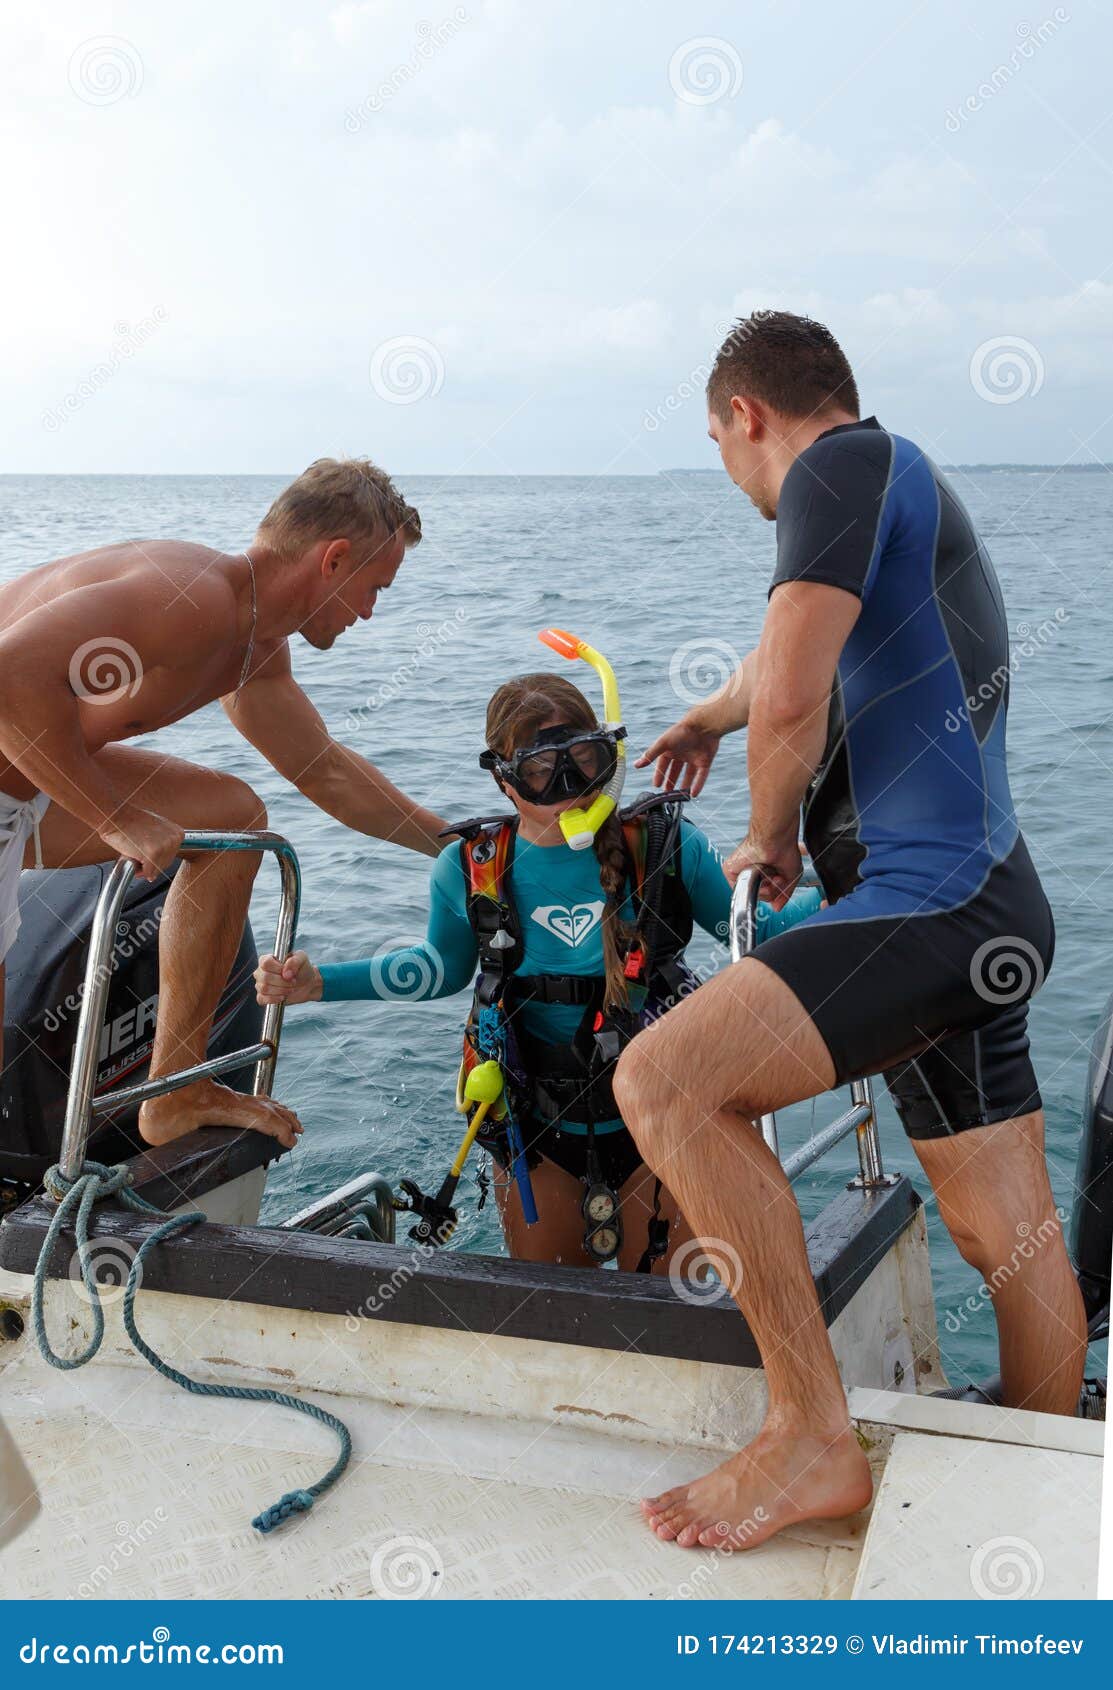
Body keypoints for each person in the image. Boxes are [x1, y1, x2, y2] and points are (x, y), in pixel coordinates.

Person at [615, 310, 1088, 1551]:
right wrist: (711, 717)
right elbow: (796, 666)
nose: (731, 472)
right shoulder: (890, 479)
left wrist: (767, 838)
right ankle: (1043, 1465)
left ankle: (811, 1435)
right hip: (985, 904)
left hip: (925, 902)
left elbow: (796, 688)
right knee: (1003, 1224)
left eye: (719, 444)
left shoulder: (836, 466)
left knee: (665, 1082)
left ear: (745, 416)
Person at [0, 457, 448, 1150]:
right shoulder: (190, 597)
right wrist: (117, 818)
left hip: (23, 792)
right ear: (333, 559)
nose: (369, 611)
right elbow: (9, 674)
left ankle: (175, 1094)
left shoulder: (251, 646)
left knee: (232, 818)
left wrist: (460, 844)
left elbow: (326, 772)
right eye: (374, 588)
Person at [254, 659, 734, 1271]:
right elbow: (440, 969)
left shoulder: (665, 848)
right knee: (553, 1304)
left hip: (667, 1115)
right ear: (505, 781)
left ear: (608, 757)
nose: (567, 785)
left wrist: (829, 890)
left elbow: (750, 931)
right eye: (540, 770)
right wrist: (321, 983)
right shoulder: (472, 866)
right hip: (537, 1132)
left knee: (671, 1302)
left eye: (582, 760)